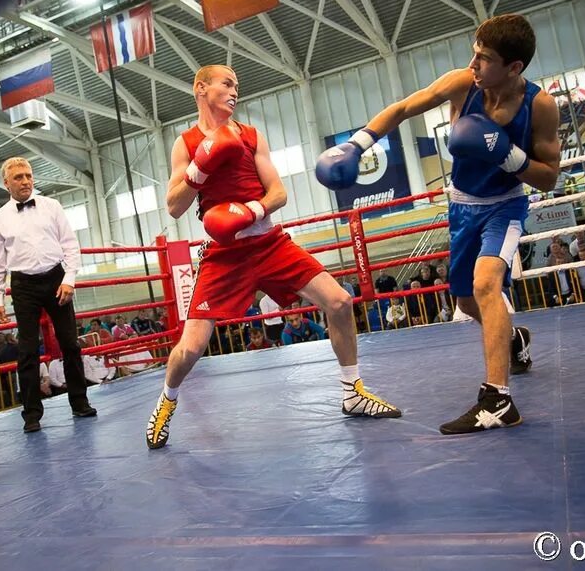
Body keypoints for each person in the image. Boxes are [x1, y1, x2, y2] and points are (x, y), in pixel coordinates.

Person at [316, 14, 560, 435]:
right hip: (462, 206)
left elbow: (550, 176)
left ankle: (497, 400)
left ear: (514, 67)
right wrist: (357, 144)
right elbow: (405, 107)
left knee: (488, 286)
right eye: (474, 52)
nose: (474, 63)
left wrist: (505, 154)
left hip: (504, 206)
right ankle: (514, 341)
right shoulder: (463, 83)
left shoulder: (539, 106)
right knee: (466, 303)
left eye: (484, 58)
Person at [145, 65, 401, 450]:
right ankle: (166, 402)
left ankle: (352, 391)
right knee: (192, 346)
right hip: (225, 255)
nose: (234, 91)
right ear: (201, 88)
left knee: (340, 301)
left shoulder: (251, 135)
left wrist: (250, 212)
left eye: (237, 85)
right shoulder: (186, 142)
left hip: (269, 243)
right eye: (227, 84)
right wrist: (202, 165)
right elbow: (174, 207)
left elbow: (278, 192)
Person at [0, 156, 97, 434]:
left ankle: (80, 402)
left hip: (56, 278)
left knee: (70, 344)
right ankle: (32, 415)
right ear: (6, 183)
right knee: (26, 352)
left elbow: (71, 245)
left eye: (28, 175)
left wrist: (69, 280)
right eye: (18, 177)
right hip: (23, 285)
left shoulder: (52, 206)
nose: (25, 181)